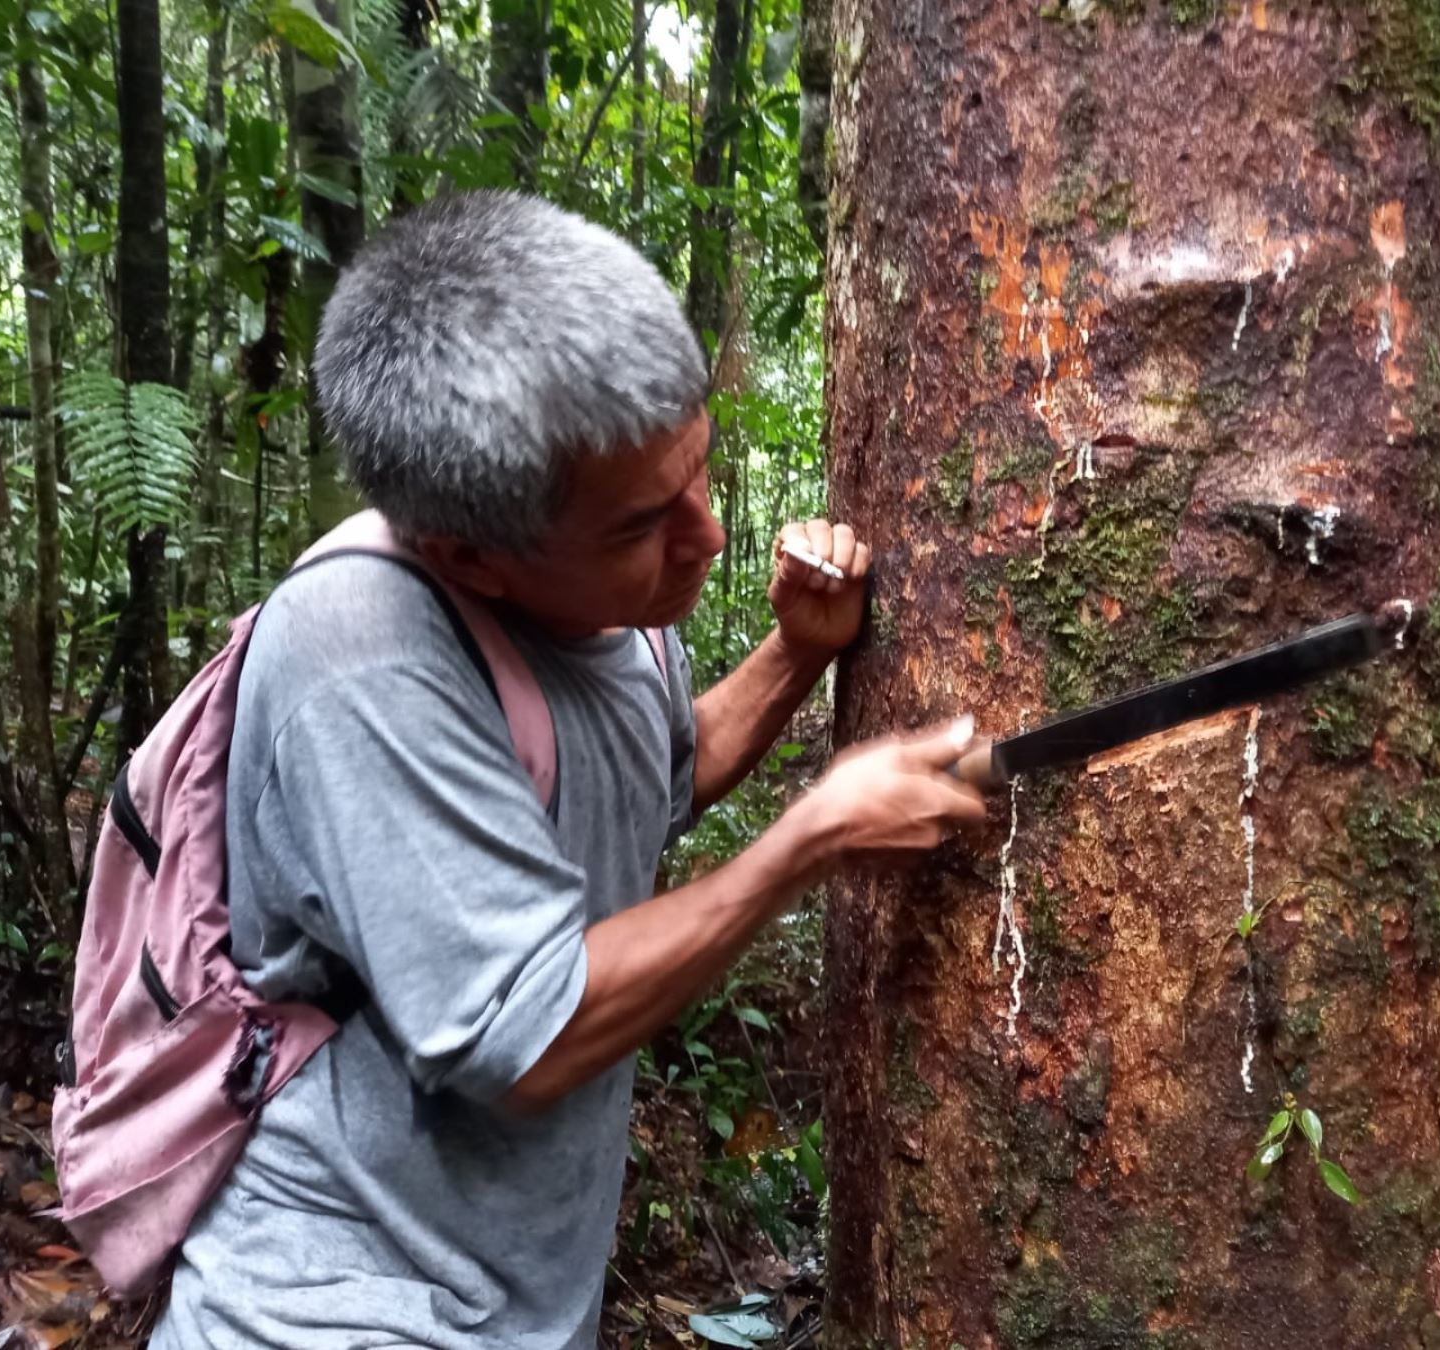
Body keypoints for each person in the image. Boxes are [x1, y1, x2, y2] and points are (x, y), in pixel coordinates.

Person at [152, 191, 986, 1348]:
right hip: (341, 1307)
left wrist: (797, 655)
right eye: (644, 525)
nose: (708, 537)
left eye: (700, 470)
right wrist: (808, 843)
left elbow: (646, 783)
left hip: (523, 1298)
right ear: (471, 559)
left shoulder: (612, 604)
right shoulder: (362, 657)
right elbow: (520, 1030)